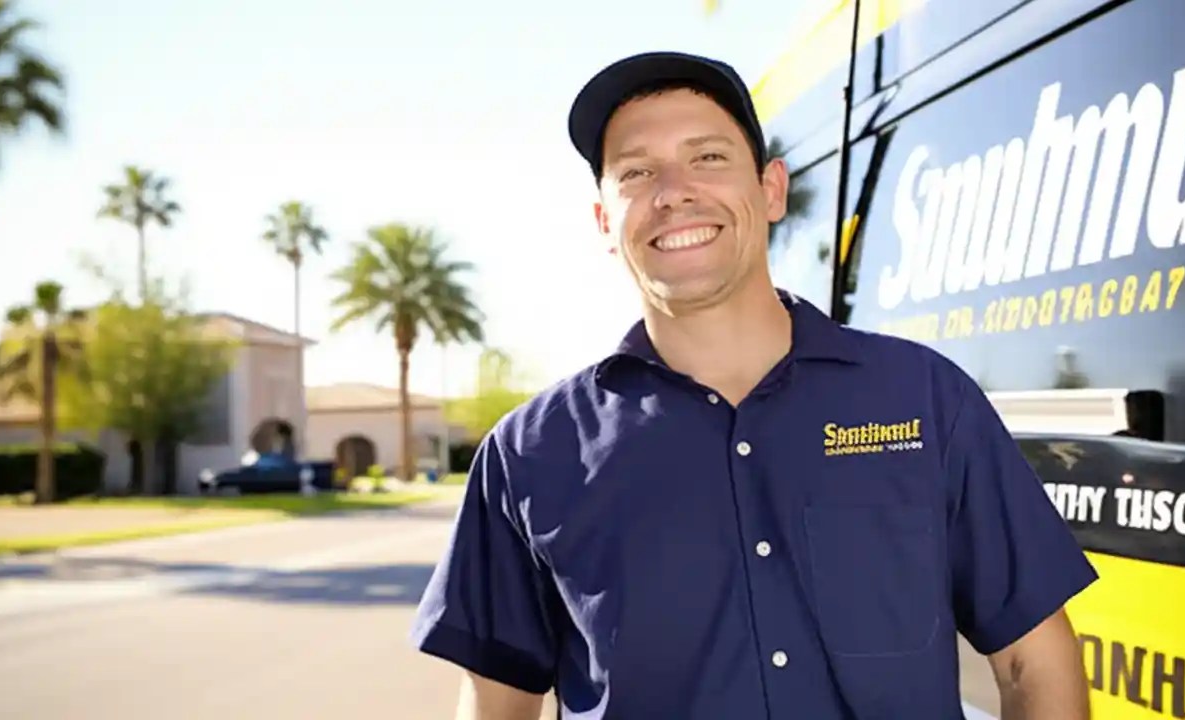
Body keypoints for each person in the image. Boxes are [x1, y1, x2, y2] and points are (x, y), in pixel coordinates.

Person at [410, 50, 1098, 720]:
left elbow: (1030, 661)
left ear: (771, 189)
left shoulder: (926, 398)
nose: (673, 191)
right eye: (636, 171)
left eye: (707, 158)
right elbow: (498, 702)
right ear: (604, 222)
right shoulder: (529, 453)